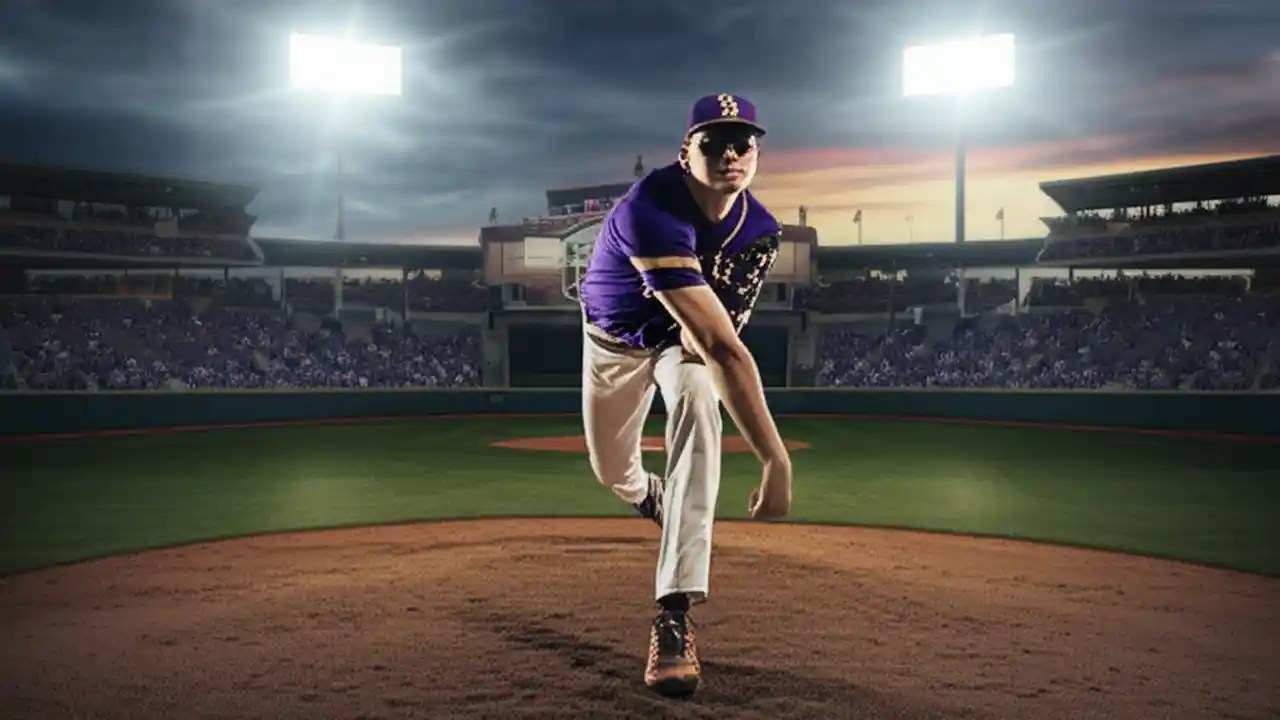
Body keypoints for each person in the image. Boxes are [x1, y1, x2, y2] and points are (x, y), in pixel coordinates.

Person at [576, 93, 793, 698]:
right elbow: (724, 345)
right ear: (685, 150)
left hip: (682, 343)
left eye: (744, 141)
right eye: (714, 141)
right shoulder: (650, 207)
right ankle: (654, 498)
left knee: (699, 395)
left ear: (757, 152)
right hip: (614, 341)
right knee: (610, 470)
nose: (732, 152)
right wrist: (776, 459)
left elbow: (713, 350)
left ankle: (673, 616)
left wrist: (770, 457)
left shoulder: (760, 232)